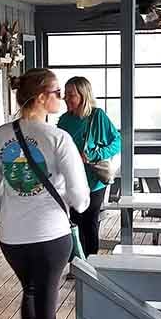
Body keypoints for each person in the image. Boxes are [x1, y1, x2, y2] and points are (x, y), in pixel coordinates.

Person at [0, 68, 90, 319]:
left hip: (13, 238)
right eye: (57, 93)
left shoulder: (1, 135)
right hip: (51, 235)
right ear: (41, 97)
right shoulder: (58, 137)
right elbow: (80, 197)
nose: (61, 99)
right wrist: (78, 202)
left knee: (29, 291)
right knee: (46, 301)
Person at [57, 76, 120, 257]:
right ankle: (77, 263)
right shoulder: (64, 121)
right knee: (74, 221)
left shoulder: (97, 116)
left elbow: (117, 142)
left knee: (90, 222)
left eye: (71, 95)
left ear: (83, 96)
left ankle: (91, 263)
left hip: (93, 180)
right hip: (71, 180)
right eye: (65, 95)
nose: (66, 99)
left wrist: (95, 154)